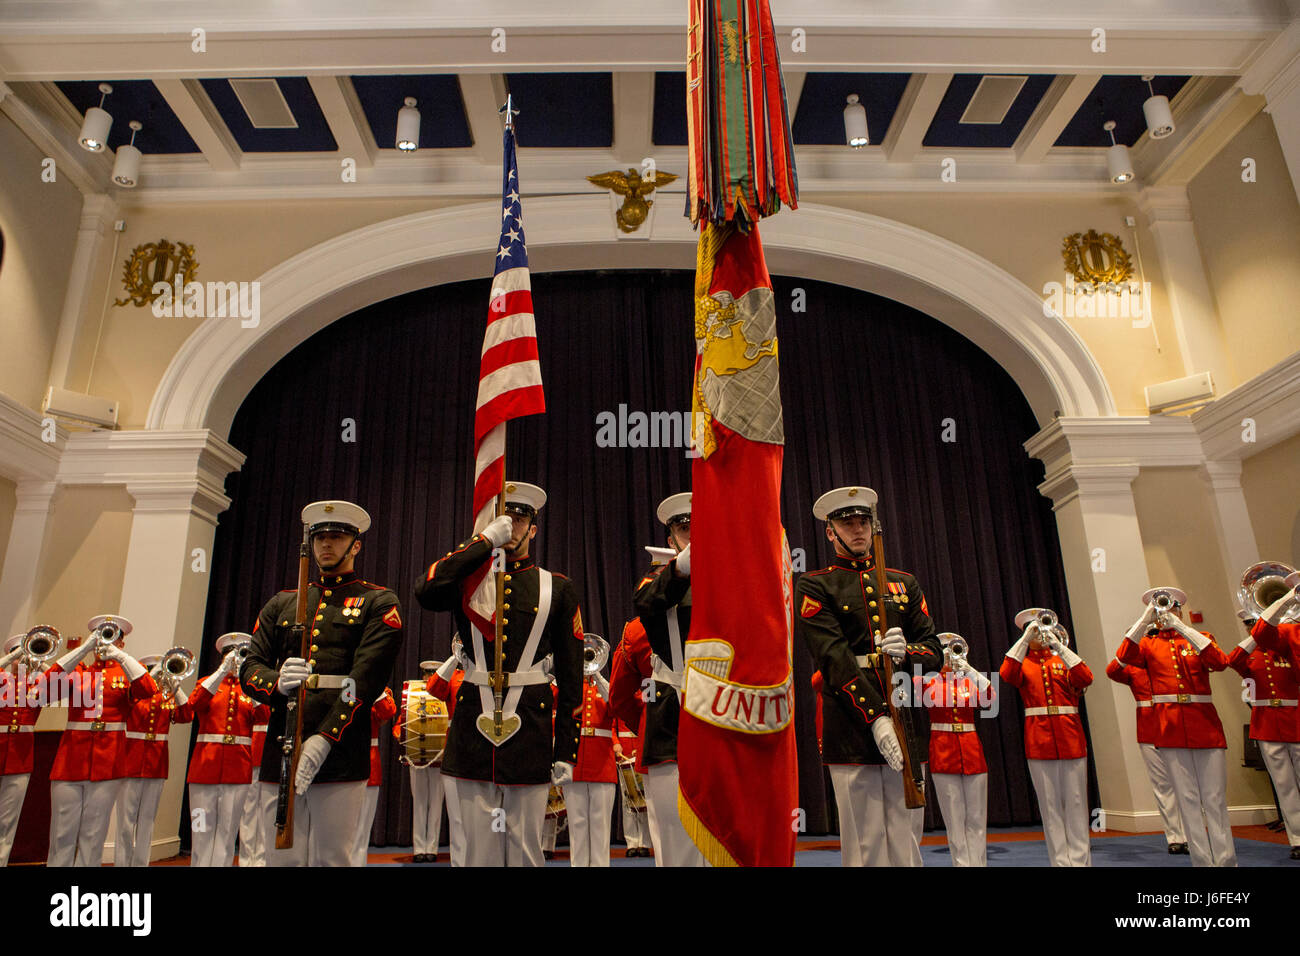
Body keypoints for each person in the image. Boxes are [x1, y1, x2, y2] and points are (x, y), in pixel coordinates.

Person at [414, 482, 582, 867]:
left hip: (531, 732)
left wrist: (567, 750)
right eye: (501, 519)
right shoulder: (468, 582)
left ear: (533, 529)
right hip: (473, 731)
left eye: (518, 518)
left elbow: (572, 678)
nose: (510, 525)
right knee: (478, 852)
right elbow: (424, 590)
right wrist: (482, 543)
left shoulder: (556, 588)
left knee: (526, 851)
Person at [241, 500, 405, 867]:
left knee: (333, 858)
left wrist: (325, 737)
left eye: (336, 537)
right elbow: (251, 667)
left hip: (342, 751)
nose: (326, 545)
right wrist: (277, 682)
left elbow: (364, 679)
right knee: (282, 858)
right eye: (320, 538)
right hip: (282, 747)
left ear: (355, 545)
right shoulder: (282, 604)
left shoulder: (376, 602)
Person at [796, 486, 943, 867]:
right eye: (848, 523)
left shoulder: (903, 583)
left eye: (864, 522)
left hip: (905, 717)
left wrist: (907, 651)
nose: (858, 530)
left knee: (907, 835)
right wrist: (876, 718)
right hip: (851, 722)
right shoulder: (816, 585)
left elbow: (934, 650)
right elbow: (833, 658)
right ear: (831, 531)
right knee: (865, 842)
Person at [1116, 587, 1235, 867]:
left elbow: (1220, 662)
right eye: (1161, 608)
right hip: (1169, 728)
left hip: (1204, 725)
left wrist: (1181, 627)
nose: (1166, 613)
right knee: (1187, 799)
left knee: (1215, 799)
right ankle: (1203, 861)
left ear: (1180, 609)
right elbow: (1122, 656)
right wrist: (1145, 619)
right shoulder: (1148, 644)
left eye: (1171, 607)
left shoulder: (1201, 639)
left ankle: (1227, 860)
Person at [619, 492, 707, 867]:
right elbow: (648, 602)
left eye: (699, 527)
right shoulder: (658, 577)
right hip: (674, 708)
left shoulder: (736, 574)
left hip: (729, 708)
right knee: (676, 833)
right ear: (671, 540)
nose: (693, 535)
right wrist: (684, 566)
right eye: (685, 529)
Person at [47, 616, 156, 867]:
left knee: (93, 836)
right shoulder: (79, 671)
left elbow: (148, 690)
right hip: (71, 761)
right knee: (62, 835)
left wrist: (121, 657)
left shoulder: (126, 671)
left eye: (112, 635)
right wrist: (82, 649)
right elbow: (44, 689)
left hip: (108, 763)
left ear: (122, 642)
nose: (104, 639)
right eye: (100, 633)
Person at [1001, 608, 1093, 866]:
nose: (1040, 634)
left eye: (1042, 627)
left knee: (1076, 804)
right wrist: (1024, 640)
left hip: (1070, 737)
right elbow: (1007, 674)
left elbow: (1086, 677)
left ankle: (1081, 861)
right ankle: (1060, 862)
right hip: (1038, 740)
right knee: (1050, 808)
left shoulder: (1062, 660)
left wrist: (1058, 646)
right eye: (1034, 630)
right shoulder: (1024, 663)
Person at [188, 633, 266, 867]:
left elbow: (264, 715)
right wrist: (222, 671)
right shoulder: (207, 683)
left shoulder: (248, 690)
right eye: (230, 654)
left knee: (226, 833)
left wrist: (248, 678)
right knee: (199, 829)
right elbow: (194, 704)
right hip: (203, 770)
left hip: (237, 771)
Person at [1228, 608, 1299, 860]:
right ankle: (1297, 839)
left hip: (1295, 720)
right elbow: (1232, 660)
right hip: (1267, 724)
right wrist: (1256, 637)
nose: (1250, 627)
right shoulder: (1250, 655)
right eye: (1248, 624)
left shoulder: (1288, 646)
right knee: (1284, 785)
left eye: (1254, 623)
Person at [114, 652, 194, 867]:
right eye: (153, 671)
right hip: (130, 760)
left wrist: (176, 685)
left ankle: (141, 863)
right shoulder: (134, 693)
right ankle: (122, 863)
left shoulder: (166, 696)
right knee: (125, 821)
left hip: (156, 763)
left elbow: (186, 714)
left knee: (147, 820)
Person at [1105, 648, 1187, 854]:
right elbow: (1113, 670)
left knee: (1186, 783)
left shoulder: (1168, 661)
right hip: (1149, 728)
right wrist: (1131, 644)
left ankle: (1193, 834)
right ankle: (1175, 837)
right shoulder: (1132, 667)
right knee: (1163, 786)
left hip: (1175, 725)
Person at [925, 633, 993, 867]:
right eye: (943, 649)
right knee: (955, 821)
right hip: (943, 754)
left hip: (972, 752)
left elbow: (989, 698)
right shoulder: (928, 680)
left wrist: (969, 669)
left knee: (976, 818)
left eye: (950, 649)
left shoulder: (968, 680)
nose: (948, 654)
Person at [0, 631, 53, 866]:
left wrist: (41, 661)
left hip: (20, 759)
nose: (22, 661)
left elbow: (68, 682)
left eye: (26, 654)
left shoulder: (38, 684)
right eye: (18, 655)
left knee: (7, 823)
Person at [567, 634, 617, 867]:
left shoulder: (602, 687)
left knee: (600, 823)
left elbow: (615, 702)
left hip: (602, 763)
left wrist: (596, 673)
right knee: (577, 823)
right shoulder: (572, 688)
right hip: (575, 761)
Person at [417, 652, 467, 864]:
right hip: (456, 750)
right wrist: (455, 657)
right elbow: (433, 687)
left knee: (483, 819)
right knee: (457, 819)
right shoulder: (455, 676)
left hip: (486, 751)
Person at [351, 686, 396, 866]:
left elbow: (387, 712)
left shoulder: (378, 689)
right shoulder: (345, 683)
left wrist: (373, 684)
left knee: (361, 832)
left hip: (369, 762)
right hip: (342, 762)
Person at [237, 698, 271, 867]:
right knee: (248, 811)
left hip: (274, 751)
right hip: (254, 748)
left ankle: (263, 860)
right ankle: (246, 859)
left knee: (268, 811)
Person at [613, 715, 650, 858]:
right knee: (628, 801)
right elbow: (612, 725)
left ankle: (644, 843)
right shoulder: (622, 693)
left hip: (642, 749)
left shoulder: (648, 692)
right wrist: (615, 742)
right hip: (625, 752)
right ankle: (631, 842)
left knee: (644, 800)